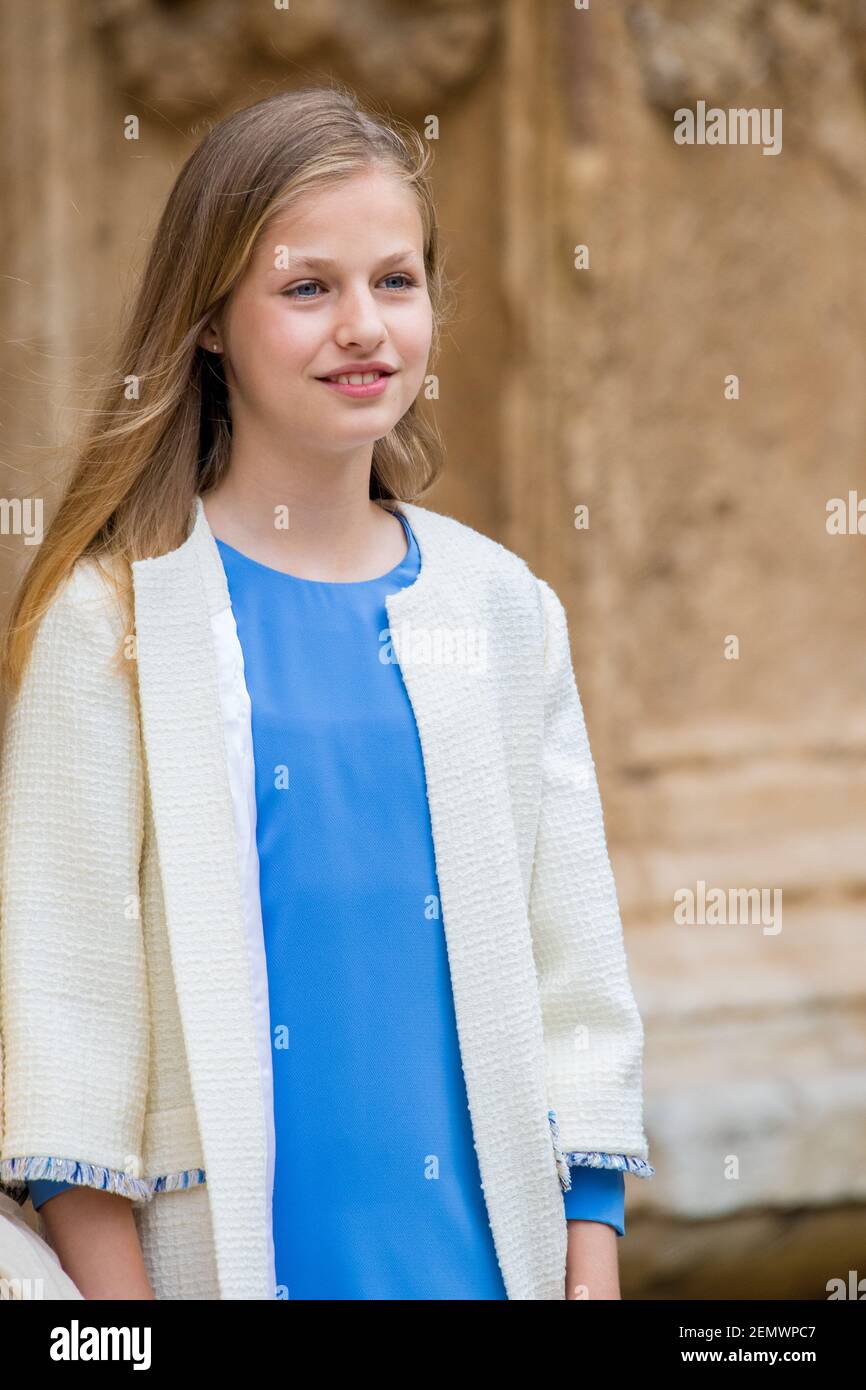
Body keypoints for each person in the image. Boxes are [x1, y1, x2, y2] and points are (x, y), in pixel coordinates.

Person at [0, 85, 653, 1300]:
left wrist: (590, 1254)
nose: (364, 327)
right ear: (207, 321)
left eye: (394, 283)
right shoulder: (113, 626)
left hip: (479, 1267)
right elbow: (67, 1026)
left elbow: (576, 976)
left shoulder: (502, 611)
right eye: (308, 289)